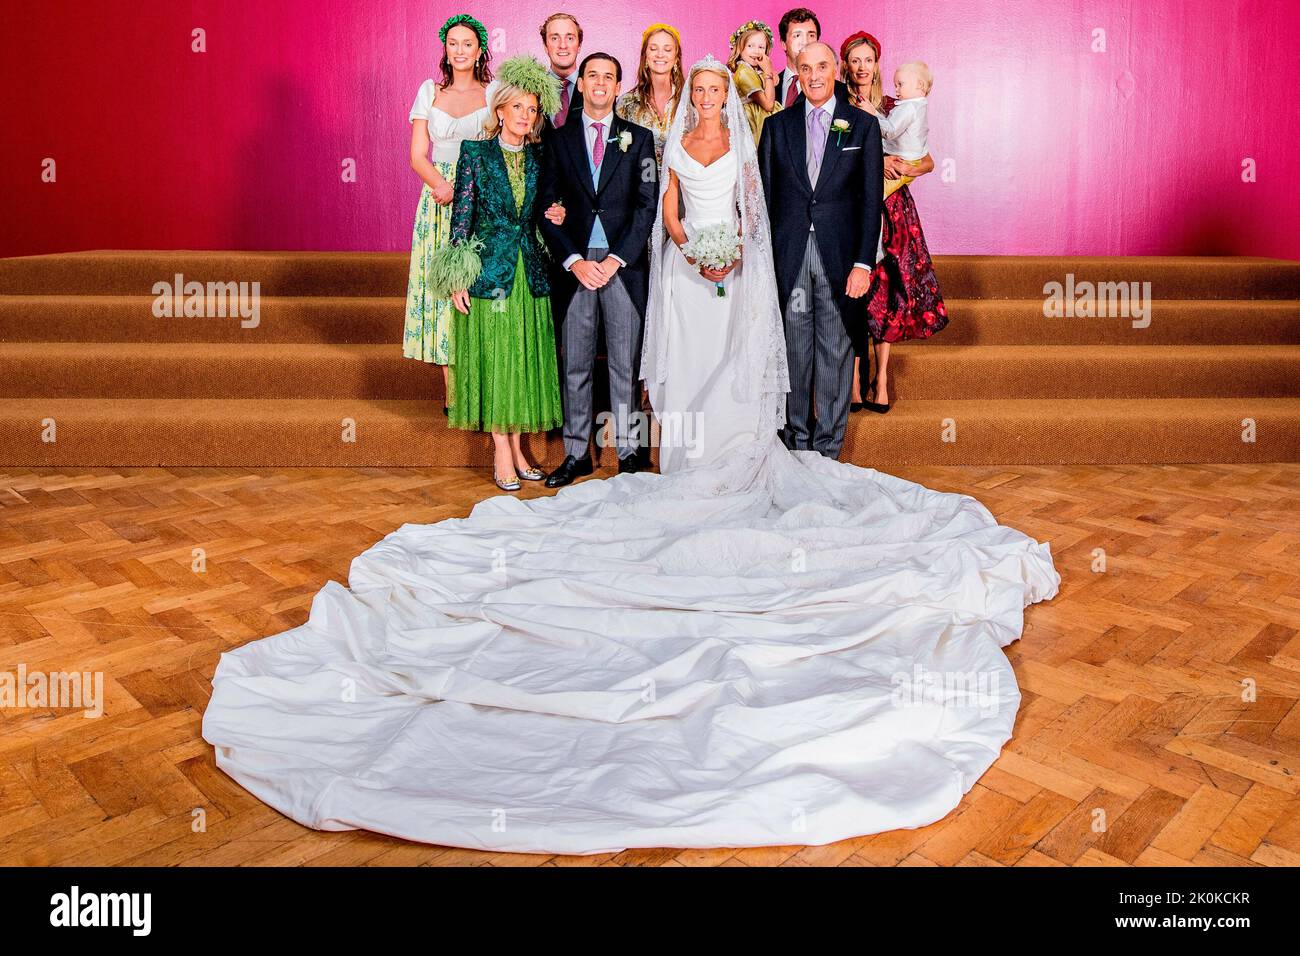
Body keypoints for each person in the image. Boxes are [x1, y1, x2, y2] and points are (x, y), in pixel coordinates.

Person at [201, 59, 1060, 859]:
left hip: (741, 271)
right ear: (694, 92)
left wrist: (733, 256)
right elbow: (666, 212)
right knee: (674, 376)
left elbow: (754, 213)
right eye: (707, 89)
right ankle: (681, 467)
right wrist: (686, 249)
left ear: (733, 92)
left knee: (748, 377)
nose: (715, 99)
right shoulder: (667, 141)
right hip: (682, 274)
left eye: (725, 89)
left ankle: (742, 460)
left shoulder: (748, 140)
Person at [431, 55, 565, 489]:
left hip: (531, 272)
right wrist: (456, 278)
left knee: (523, 360)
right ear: (500, 110)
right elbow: (462, 219)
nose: (525, 116)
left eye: (533, 109)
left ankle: (520, 446)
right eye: (518, 108)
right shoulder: (475, 153)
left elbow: (548, 209)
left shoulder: (542, 155)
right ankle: (501, 451)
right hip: (489, 273)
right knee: (497, 360)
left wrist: (558, 213)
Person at [538, 53, 658, 487]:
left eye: (609, 77)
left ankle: (628, 452)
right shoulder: (557, 140)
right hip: (576, 269)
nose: (601, 83)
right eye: (594, 76)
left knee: (624, 364)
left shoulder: (639, 139)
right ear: (583, 85)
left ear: (617, 86)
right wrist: (574, 261)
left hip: (622, 267)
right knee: (576, 364)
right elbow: (546, 206)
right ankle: (576, 454)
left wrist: (613, 259)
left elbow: (647, 207)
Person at [757, 42, 881, 459]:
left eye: (822, 66)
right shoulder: (777, 127)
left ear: (836, 70)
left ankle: (828, 450)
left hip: (841, 259)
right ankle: (795, 445)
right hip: (789, 256)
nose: (813, 75)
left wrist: (864, 263)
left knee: (835, 349)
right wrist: (764, 265)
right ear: (795, 69)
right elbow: (765, 203)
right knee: (792, 351)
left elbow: (869, 201)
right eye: (805, 67)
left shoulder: (863, 127)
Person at [845, 38, 947, 413]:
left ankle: (881, 378)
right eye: (854, 60)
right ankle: (853, 377)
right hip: (854, 206)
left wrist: (904, 166)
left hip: (893, 207)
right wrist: (876, 163)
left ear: (877, 63)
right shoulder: (839, 103)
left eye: (868, 60)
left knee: (887, 290)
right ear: (845, 64)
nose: (861, 67)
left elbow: (927, 161)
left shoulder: (893, 105)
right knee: (855, 291)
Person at [403, 15, 496, 413]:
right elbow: (416, 155)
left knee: (473, 285)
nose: (460, 50)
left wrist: (472, 193)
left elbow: (496, 150)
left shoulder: (494, 95)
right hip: (438, 199)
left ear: (480, 52)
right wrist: (440, 186)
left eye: (468, 44)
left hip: (478, 199)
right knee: (442, 290)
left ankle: (483, 385)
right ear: (446, 48)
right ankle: (452, 393)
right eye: (453, 43)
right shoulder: (429, 91)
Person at [615, 23, 684, 169]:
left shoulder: (689, 100)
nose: (660, 54)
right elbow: (619, 155)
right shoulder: (626, 103)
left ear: (676, 57)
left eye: (667, 49)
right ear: (645, 56)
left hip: (682, 187)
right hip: (641, 187)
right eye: (653, 49)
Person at [727, 20, 781, 143]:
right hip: (753, 123)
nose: (756, 51)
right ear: (740, 48)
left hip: (763, 121)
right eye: (750, 46)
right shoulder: (744, 72)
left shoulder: (755, 70)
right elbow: (768, 104)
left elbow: (775, 81)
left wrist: (768, 70)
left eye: (761, 47)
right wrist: (768, 72)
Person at [540, 12, 583, 127]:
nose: (563, 45)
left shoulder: (593, 88)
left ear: (579, 46)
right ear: (545, 47)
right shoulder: (532, 89)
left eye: (570, 38)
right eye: (554, 38)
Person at [774, 8, 820, 107]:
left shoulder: (837, 90)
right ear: (783, 44)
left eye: (811, 35)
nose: (805, 42)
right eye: (797, 35)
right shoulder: (767, 86)